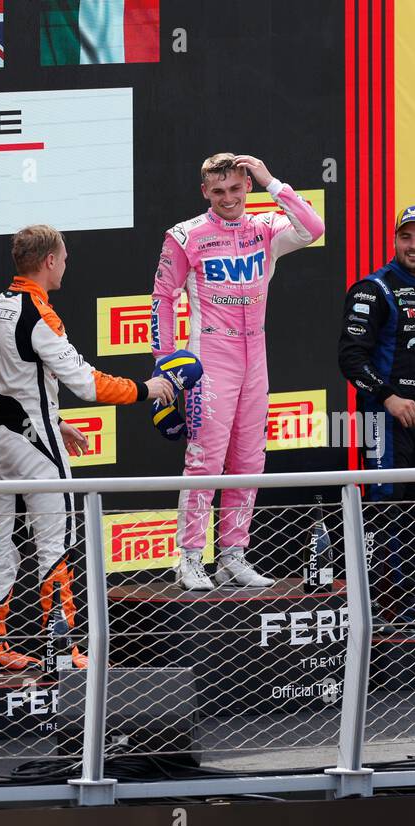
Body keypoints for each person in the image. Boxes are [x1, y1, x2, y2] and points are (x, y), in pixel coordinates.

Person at [0, 225, 174, 669]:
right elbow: (86, 384)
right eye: (63, 258)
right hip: (37, 447)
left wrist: (56, 420)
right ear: (49, 262)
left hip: (4, 437)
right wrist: (146, 389)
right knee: (56, 542)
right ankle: (62, 649)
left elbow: (12, 385)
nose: (66, 264)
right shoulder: (39, 313)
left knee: (3, 540)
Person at [151, 153, 325, 590]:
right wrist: (166, 364)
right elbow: (162, 298)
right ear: (205, 191)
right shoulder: (185, 235)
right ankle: (190, 558)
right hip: (210, 359)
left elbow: (313, 228)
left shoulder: (265, 228)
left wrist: (271, 180)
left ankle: (232, 555)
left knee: (248, 461)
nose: (228, 198)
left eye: (235, 188)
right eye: (218, 191)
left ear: (246, 186)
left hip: (255, 358)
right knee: (205, 461)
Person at [338, 205, 415, 622]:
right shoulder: (372, 290)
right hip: (383, 419)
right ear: (394, 240)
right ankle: (373, 603)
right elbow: (351, 359)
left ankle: (411, 601)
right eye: (405, 237)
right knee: (383, 502)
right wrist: (389, 398)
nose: (413, 246)